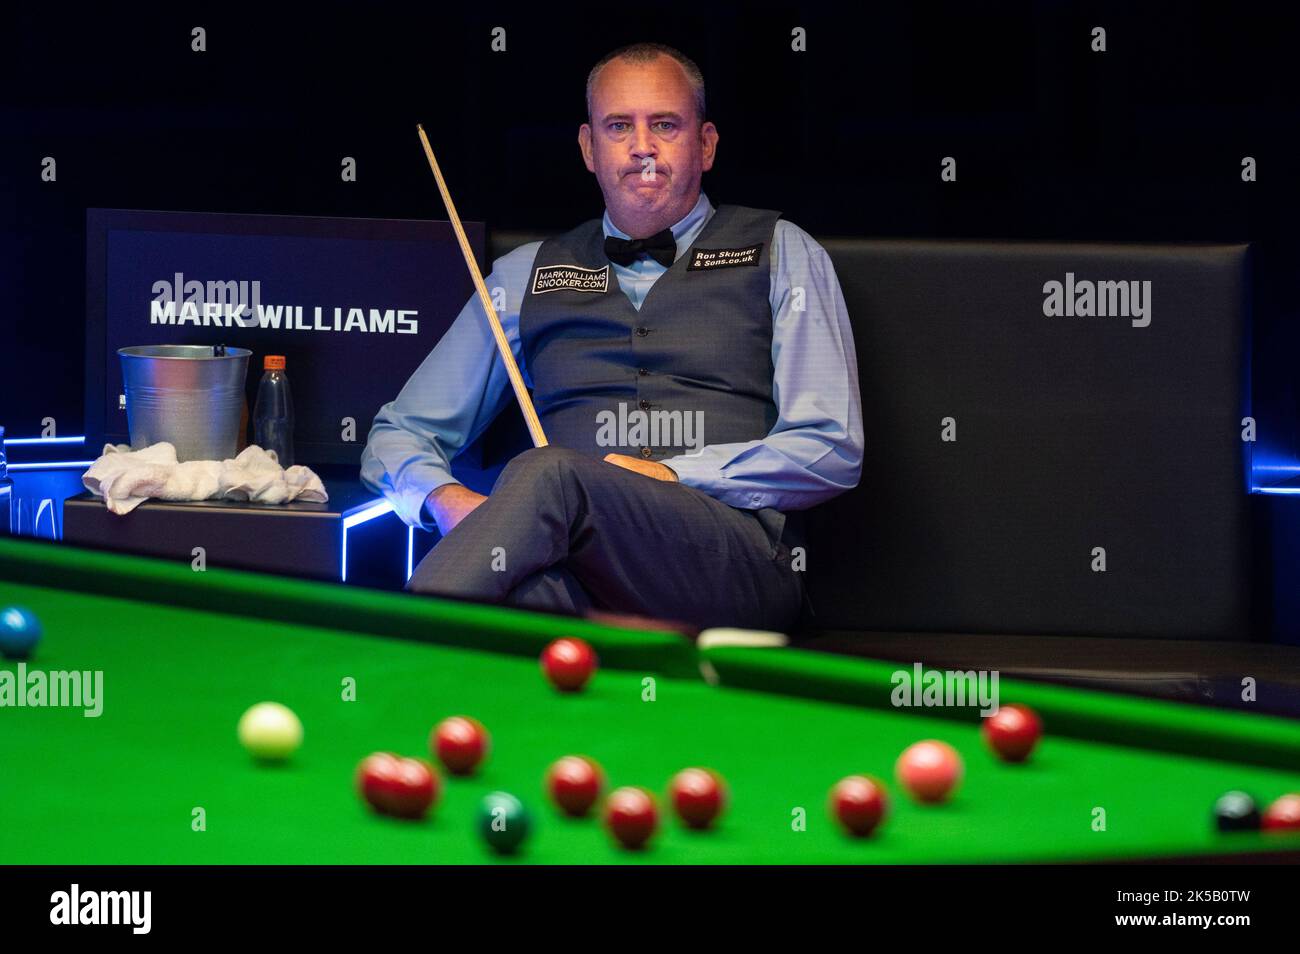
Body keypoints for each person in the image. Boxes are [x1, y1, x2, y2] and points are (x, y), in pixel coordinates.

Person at [360, 42, 862, 631]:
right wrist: (447, 504)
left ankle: (383, 655)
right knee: (526, 595)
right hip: (580, 577)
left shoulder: (782, 252)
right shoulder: (525, 275)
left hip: (732, 566)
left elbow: (831, 446)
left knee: (547, 470)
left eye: (666, 125)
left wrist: (676, 473)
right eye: (618, 125)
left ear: (705, 145)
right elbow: (398, 434)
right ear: (588, 148)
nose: (642, 146)